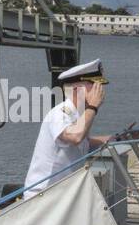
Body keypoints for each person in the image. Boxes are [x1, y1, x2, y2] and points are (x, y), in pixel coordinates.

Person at [23, 59, 115, 197]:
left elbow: (85, 142)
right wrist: (93, 107)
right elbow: (76, 137)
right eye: (94, 85)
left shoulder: (77, 115)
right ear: (78, 89)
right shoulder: (60, 113)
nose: (100, 89)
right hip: (43, 197)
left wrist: (117, 138)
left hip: (61, 195)